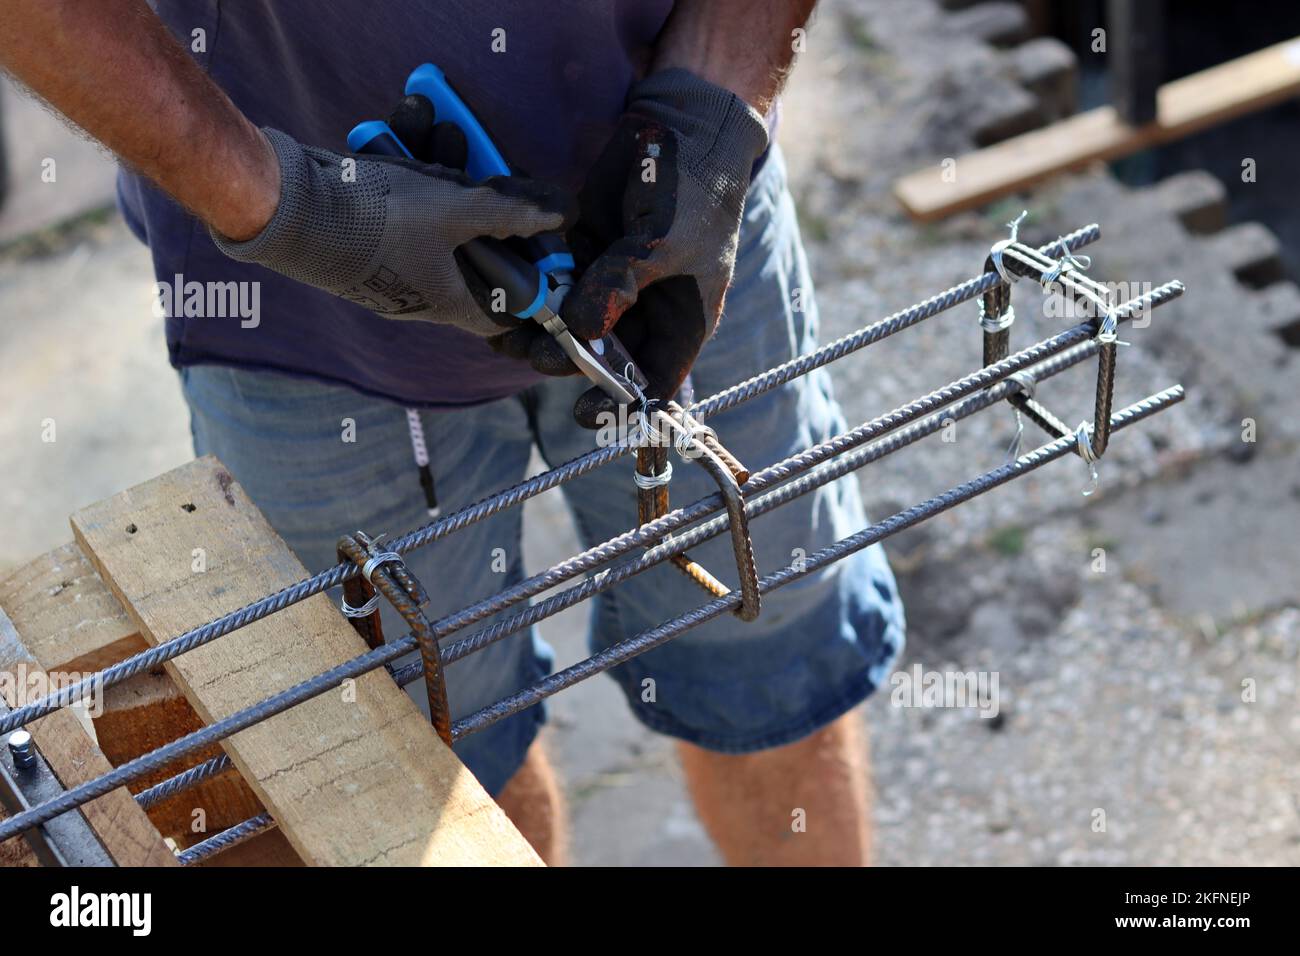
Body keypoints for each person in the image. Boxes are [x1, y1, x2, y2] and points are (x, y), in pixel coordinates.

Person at [0, 0, 904, 866]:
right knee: (430, 788)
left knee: (772, 675)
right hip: (301, 324)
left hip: (685, 239)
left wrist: (717, 99)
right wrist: (291, 208)